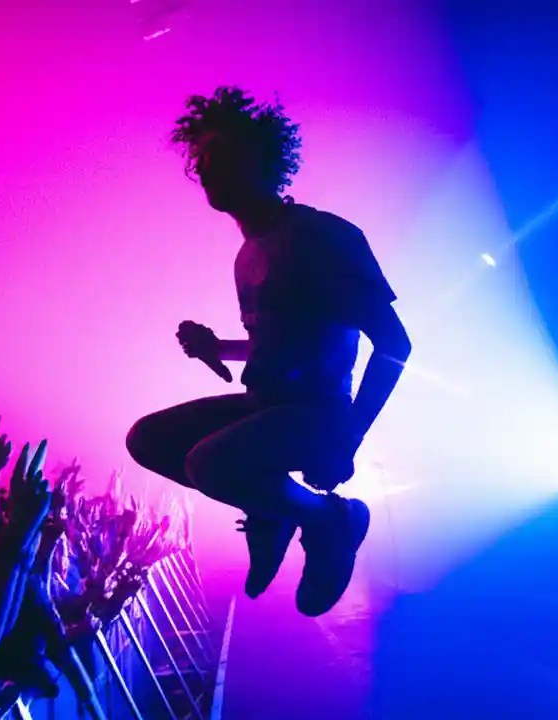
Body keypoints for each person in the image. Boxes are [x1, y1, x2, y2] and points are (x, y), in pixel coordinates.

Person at [126, 86, 412, 616]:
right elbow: (277, 343)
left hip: (318, 413)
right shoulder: (246, 254)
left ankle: (328, 520)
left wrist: (350, 434)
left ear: (263, 159)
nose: (207, 167)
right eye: (202, 158)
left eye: (223, 155)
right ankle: (277, 512)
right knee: (148, 439)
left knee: (208, 464)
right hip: (266, 405)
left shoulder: (322, 236)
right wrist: (219, 347)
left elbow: (394, 344)